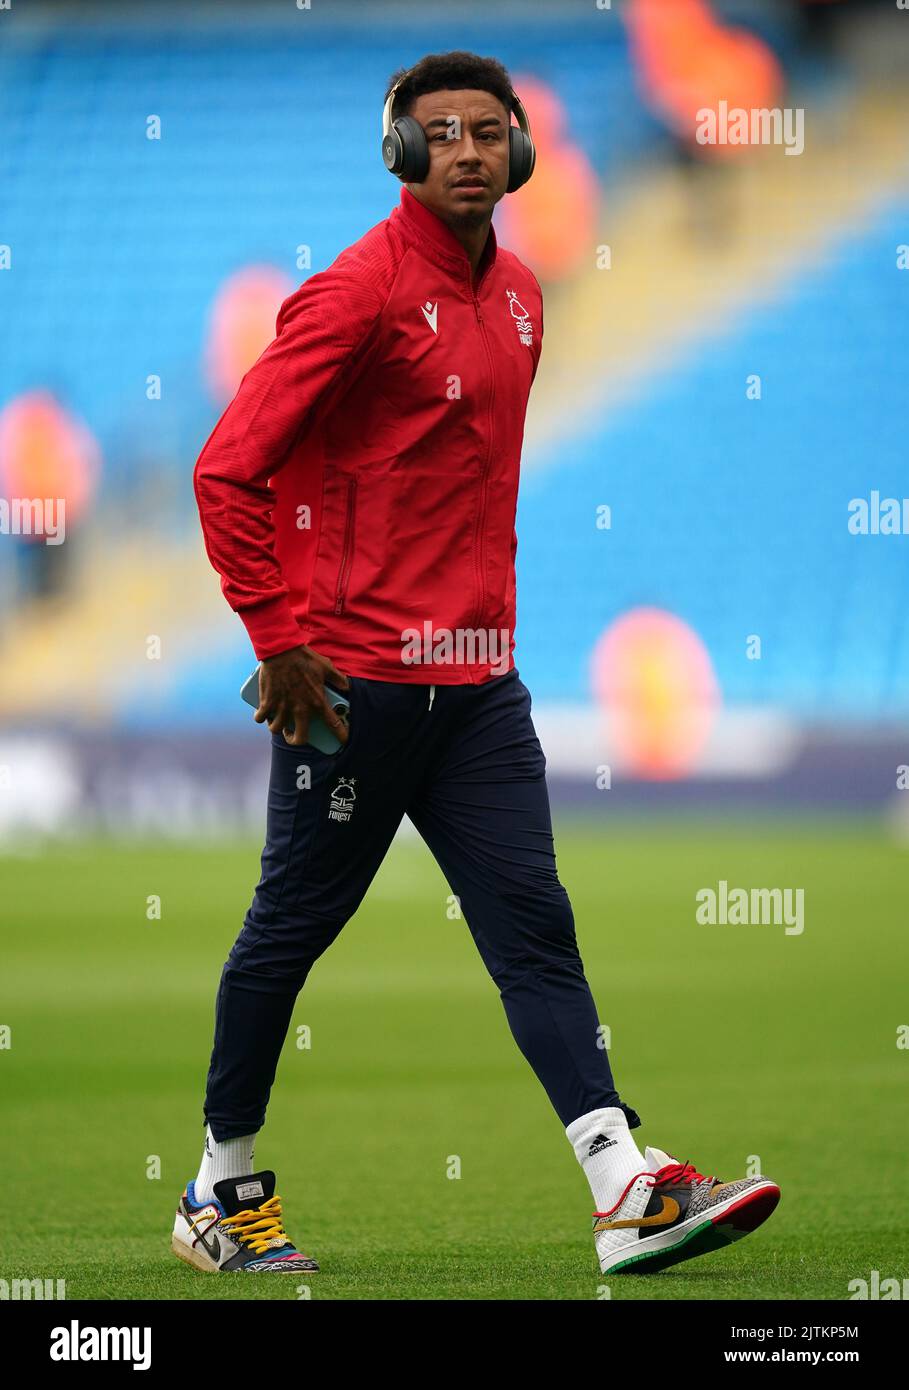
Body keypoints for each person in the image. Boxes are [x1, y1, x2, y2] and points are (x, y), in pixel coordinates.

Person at [172, 49, 780, 1280]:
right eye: (438, 133)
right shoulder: (351, 293)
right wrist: (278, 638)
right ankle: (218, 1185)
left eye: (487, 131)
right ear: (401, 153)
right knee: (290, 932)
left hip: (481, 686)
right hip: (356, 688)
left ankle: (627, 1186)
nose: (465, 150)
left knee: (534, 928)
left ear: (521, 153)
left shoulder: (524, 299)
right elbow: (226, 467)